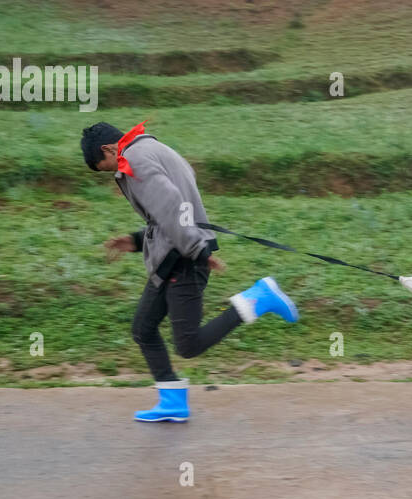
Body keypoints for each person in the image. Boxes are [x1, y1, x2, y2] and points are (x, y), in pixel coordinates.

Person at [83, 121, 298, 422]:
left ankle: (258, 298)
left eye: (105, 167)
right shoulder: (150, 148)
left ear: (108, 149)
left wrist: (196, 248)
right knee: (143, 328)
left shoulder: (136, 160)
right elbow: (172, 210)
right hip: (177, 252)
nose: (110, 173)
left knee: (188, 343)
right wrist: (136, 239)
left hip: (181, 258)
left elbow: (172, 206)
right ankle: (172, 400)